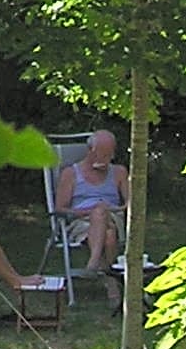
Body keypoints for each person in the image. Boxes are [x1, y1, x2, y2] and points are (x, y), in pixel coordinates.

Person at [52, 130, 129, 310]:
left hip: (113, 216)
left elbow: (129, 202)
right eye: (103, 154)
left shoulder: (118, 172)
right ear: (90, 151)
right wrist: (91, 211)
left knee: (102, 212)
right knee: (108, 236)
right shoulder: (71, 174)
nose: (107, 159)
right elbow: (60, 209)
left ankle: (94, 264)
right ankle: (113, 288)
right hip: (81, 221)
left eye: (110, 155)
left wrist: (111, 209)